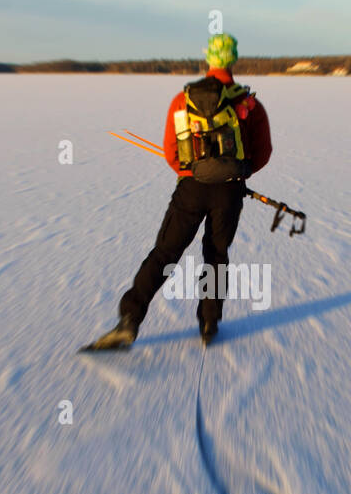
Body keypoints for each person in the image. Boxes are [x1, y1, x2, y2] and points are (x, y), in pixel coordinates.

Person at [89, 33, 273, 349]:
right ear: (234, 59)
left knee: (165, 253)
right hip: (229, 192)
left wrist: (193, 171)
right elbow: (264, 152)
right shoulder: (250, 103)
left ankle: (130, 319)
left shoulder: (182, 99)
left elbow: (172, 152)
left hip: (190, 188)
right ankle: (208, 324)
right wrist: (236, 173)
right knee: (216, 256)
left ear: (208, 59)